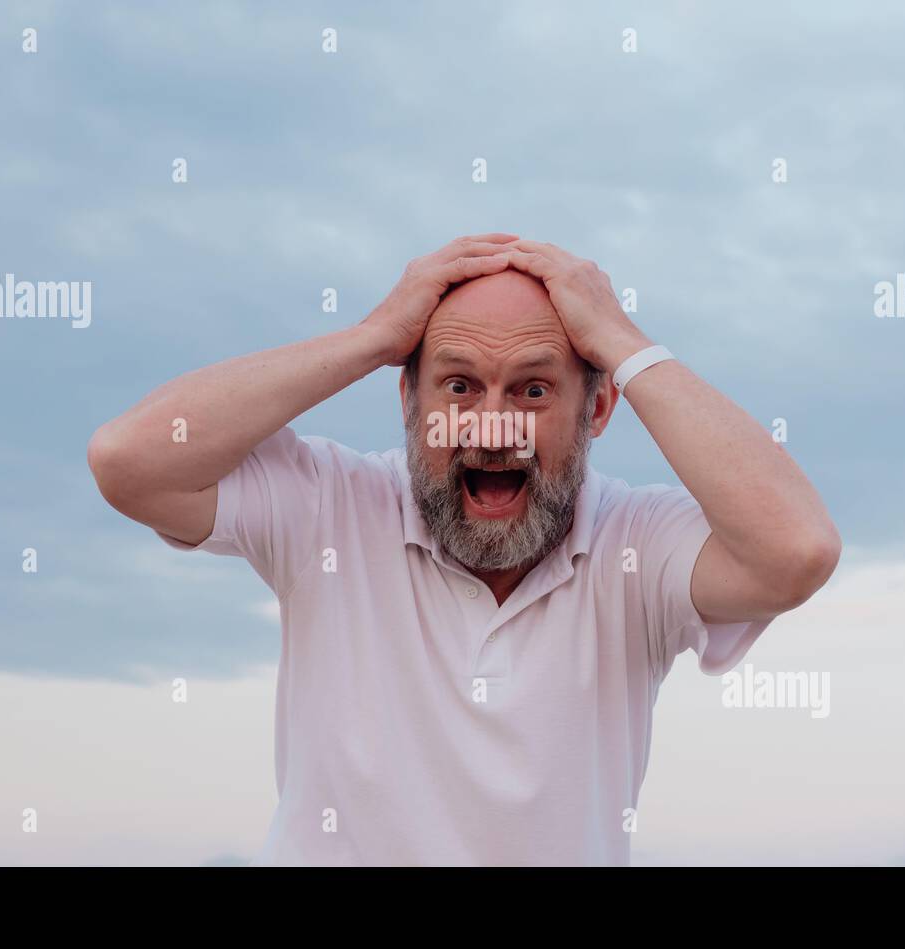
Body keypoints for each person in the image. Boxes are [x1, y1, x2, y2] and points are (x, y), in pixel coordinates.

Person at [87, 233, 842, 865]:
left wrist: (623, 342)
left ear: (600, 409)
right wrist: (373, 338)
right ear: (408, 403)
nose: (491, 426)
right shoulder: (328, 508)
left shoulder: (635, 546)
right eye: (457, 386)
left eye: (534, 391)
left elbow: (797, 550)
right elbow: (128, 459)